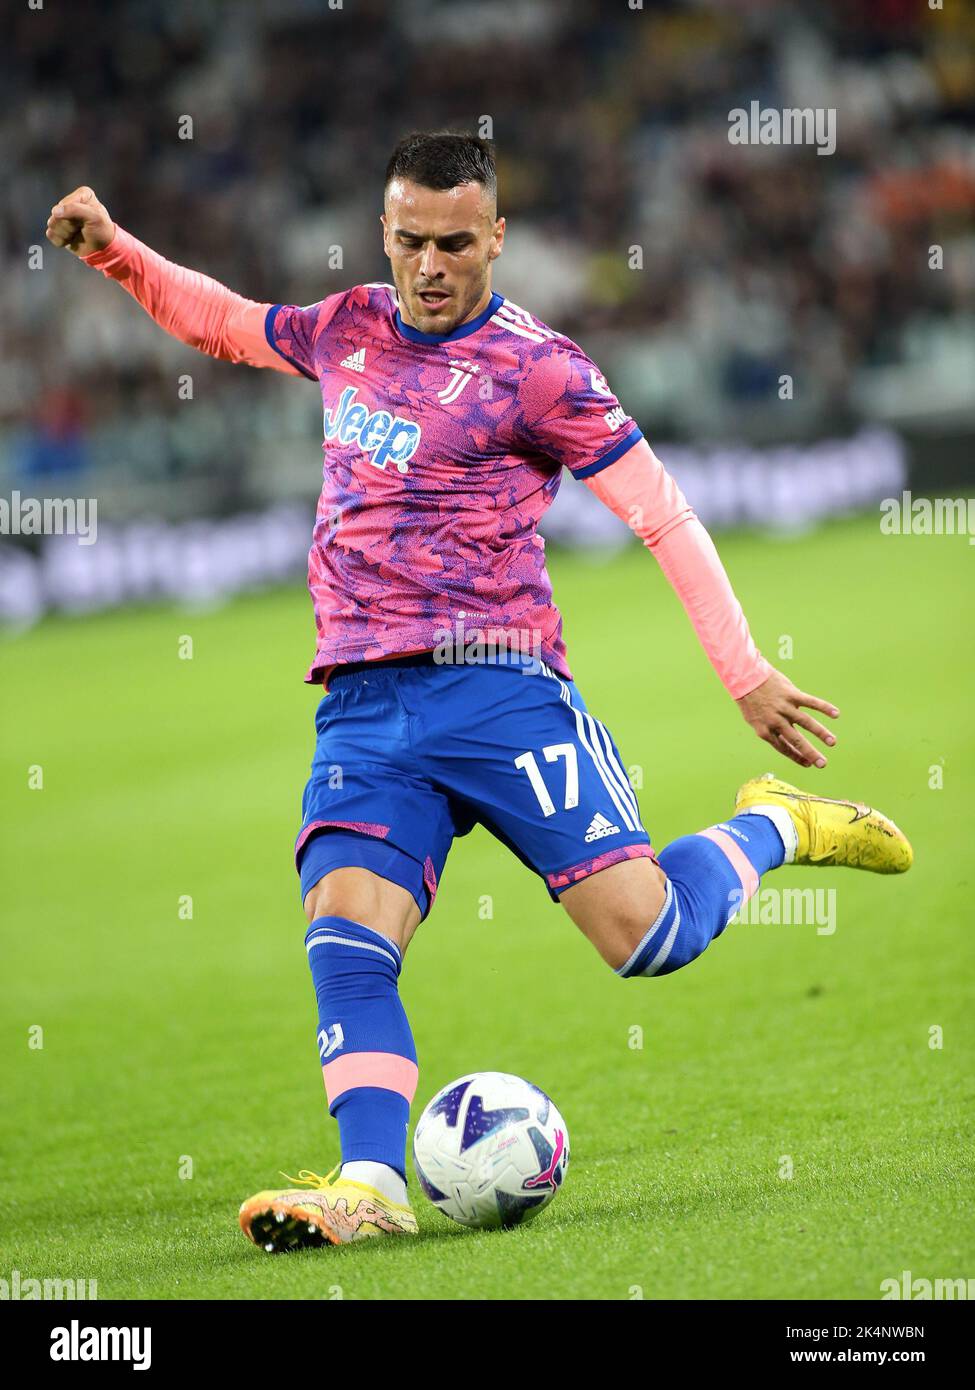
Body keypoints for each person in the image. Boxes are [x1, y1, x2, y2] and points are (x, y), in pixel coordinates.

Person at [47, 132, 912, 1252]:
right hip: (364, 703)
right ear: (385, 232)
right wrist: (117, 252)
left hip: (503, 688)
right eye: (411, 239)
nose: (431, 263)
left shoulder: (542, 370)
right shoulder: (349, 326)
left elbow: (662, 513)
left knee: (643, 937)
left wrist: (744, 672)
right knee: (346, 932)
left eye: (457, 241)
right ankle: (369, 1183)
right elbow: (224, 319)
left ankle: (775, 826)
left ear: (497, 237)